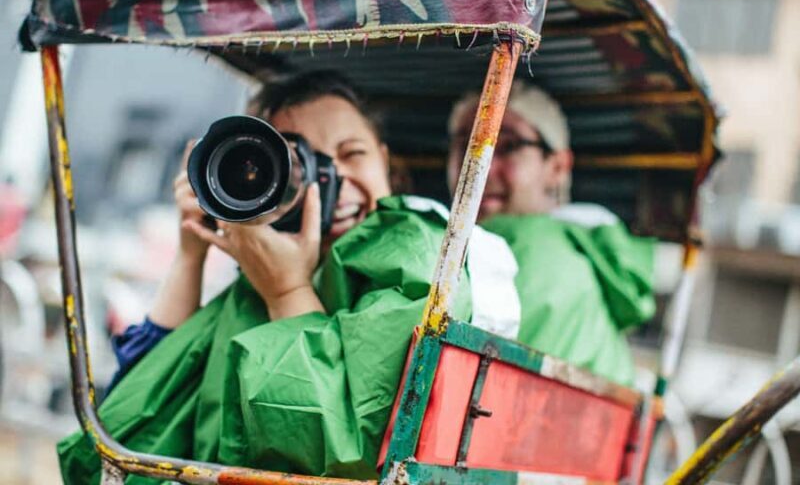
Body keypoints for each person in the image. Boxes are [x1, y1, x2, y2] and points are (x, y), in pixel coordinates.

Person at [58, 71, 519, 483]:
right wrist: (191, 253)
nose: (330, 179)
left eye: (351, 153)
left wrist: (287, 291)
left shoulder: (416, 248)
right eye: (300, 162)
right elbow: (123, 427)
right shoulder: (257, 273)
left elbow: (337, 451)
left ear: (386, 163)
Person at [447, 83, 656, 386]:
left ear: (557, 167)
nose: (480, 167)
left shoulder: (534, 249)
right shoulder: (577, 250)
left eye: (507, 146)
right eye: (466, 146)